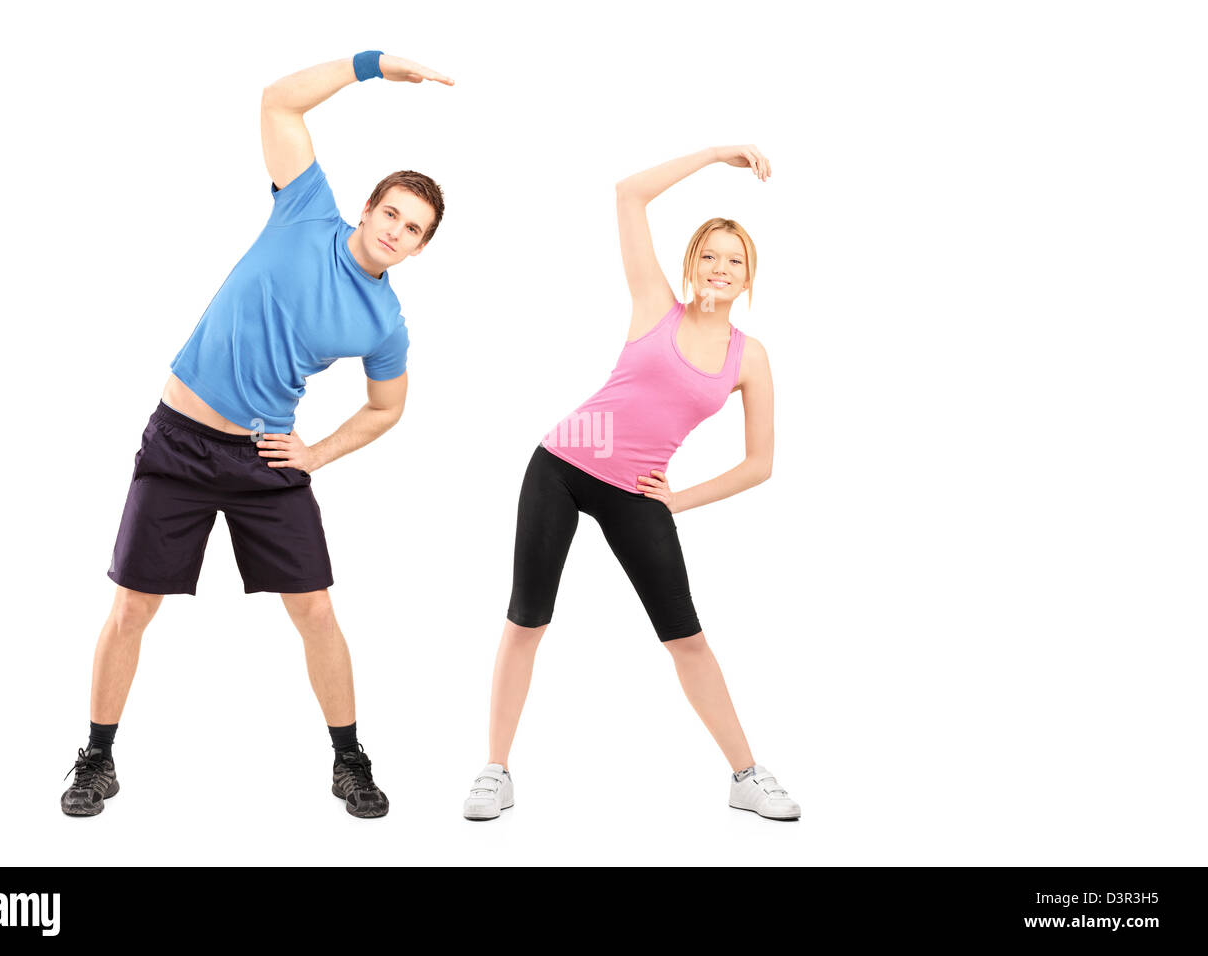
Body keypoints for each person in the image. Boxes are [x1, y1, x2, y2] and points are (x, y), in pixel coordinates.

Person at [61, 50, 452, 820]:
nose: (397, 233)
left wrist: (316, 452)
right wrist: (372, 66)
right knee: (133, 608)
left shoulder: (386, 323)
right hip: (177, 443)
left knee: (315, 612)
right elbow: (278, 101)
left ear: (420, 248)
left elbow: (387, 408)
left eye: (414, 230)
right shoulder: (305, 208)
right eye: (392, 215)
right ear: (368, 209)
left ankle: (350, 761)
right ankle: (96, 758)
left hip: (264, 457)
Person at [462, 145, 801, 822]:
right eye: (709, 255)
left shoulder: (749, 358)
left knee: (686, 637)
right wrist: (714, 156)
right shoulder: (656, 304)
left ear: (748, 277)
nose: (720, 268)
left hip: (635, 493)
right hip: (560, 465)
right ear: (691, 264)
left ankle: (746, 774)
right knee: (527, 618)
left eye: (734, 260)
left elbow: (760, 463)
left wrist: (678, 499)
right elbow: (627, 193)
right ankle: (494, 771)